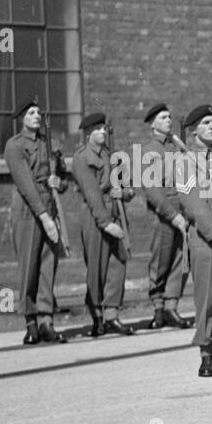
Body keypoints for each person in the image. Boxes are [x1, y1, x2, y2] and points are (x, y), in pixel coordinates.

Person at [6, 97, 69, 344]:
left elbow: (63, 177)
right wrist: (45, 218)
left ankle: (46, 322)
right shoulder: (15, 146)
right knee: (29, 266)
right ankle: (30, 322)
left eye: (38, 112)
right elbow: (26, 184)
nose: (37, 115)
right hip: (27, 211)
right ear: (22, 118)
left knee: (47, 266)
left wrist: (59, 183)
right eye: (31, 112)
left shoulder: (50, 143)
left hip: (49, 205)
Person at [69, 112, 133, 338]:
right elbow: (91, 192)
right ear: (88, 133)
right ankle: (96, 316)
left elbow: (129, 188)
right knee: (97, 266)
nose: (103, 132)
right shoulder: (81, 158)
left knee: (118, 264)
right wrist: (106, 223)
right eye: (97, 129)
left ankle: (112, 315)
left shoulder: (114, 155)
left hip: (115, 211)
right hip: (95, 216)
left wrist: (123, 191)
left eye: (104, 129)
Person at [179, 105, 212, 373]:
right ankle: (205, 353)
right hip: (204, 237)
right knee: (207, 297)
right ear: (194, 129)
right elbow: (193, 205)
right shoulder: (184, 161)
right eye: (207, 123)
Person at [140, 103, 193, 329]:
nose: (168, 121)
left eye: (169, 117)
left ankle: (171, 306)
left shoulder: (175, 148)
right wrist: (173, 216)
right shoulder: (148, 150)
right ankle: (158, 308)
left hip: (181, 210)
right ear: (153, 124)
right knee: (160, 261)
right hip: (163, 214)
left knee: (179, 260)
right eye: (163, 118)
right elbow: (152, 191)